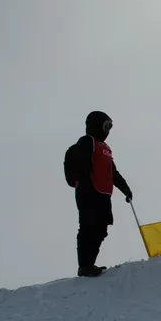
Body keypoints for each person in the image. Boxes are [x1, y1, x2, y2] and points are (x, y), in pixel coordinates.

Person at [63, 110, 133, 277]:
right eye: (106, 126)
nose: (108, 131)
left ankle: (90, 264)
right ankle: (84, 266)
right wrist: (85, 183)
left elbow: (113, 173)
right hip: (88, 191)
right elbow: (82, 163)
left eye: (110, 127)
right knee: (88, 226)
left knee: (101, 229)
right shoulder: (88, 141)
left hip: (103, 194)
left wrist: (126, 189)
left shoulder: (106, 149)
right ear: (96, 125)